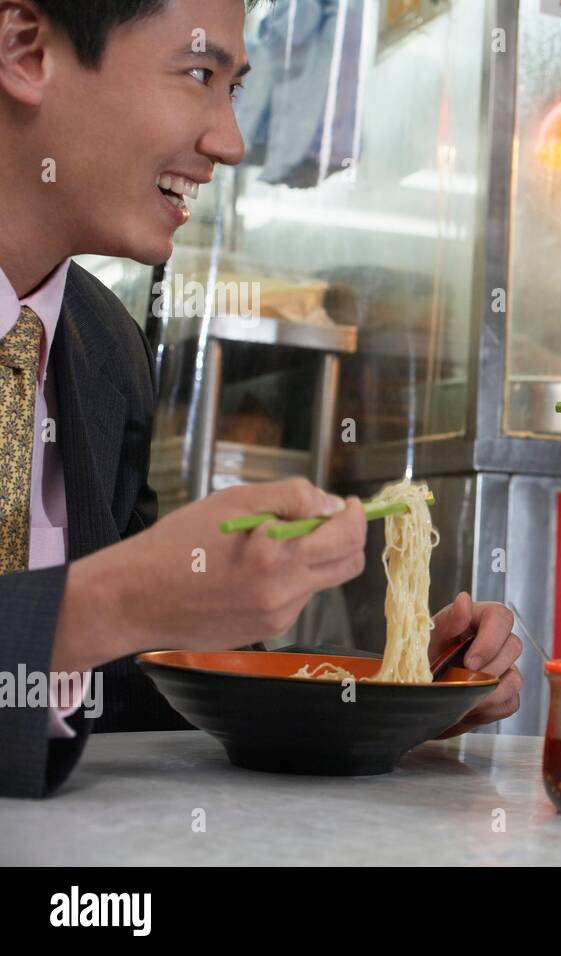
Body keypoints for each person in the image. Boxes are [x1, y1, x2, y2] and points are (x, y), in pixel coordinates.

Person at [0, 0, 522, 799]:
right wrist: (116, 599)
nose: (230, 141)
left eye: (235, 89)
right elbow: (98, 620)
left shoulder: (105, 347)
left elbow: (126, 697)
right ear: (26, 49)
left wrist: (379, 698)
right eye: (200, 74)